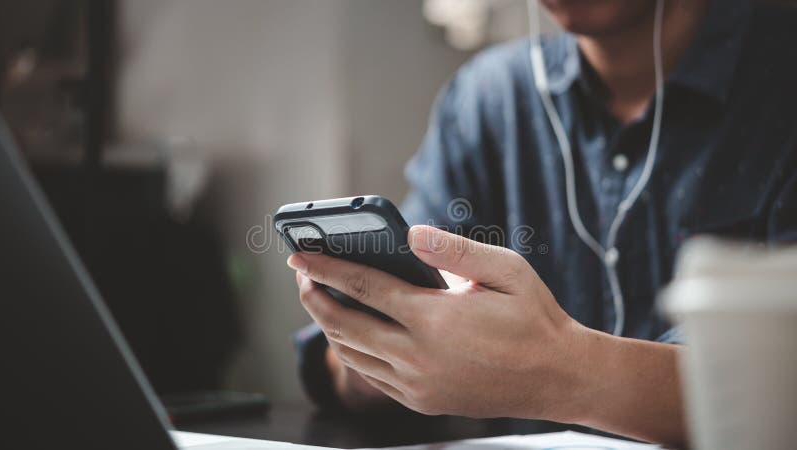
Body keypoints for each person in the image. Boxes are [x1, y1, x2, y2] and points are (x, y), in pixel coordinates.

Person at [290, 0, 797, 446]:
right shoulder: (489, 102)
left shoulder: (778, 82)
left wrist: (556, 369)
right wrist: (374, 354)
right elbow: (350, 363)